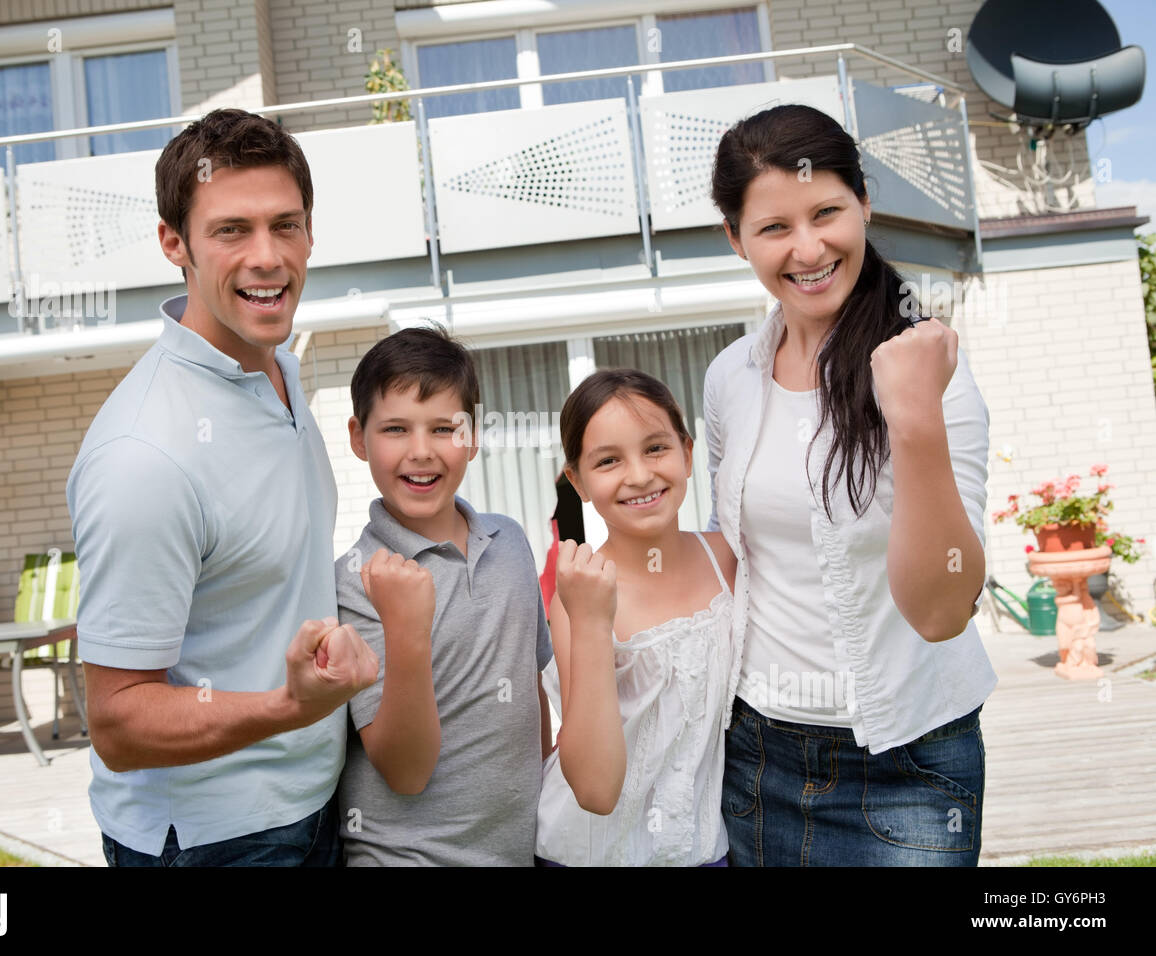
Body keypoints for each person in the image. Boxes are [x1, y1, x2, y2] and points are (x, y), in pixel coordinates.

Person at [67, 108, 378, 867]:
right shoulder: (145, 454)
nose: (268, 257)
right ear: (174, 243)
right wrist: (286, 707)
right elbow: (117, 719)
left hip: (313, 805)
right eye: (231, 230)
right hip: (215, 844)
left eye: (286, 225)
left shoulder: (276, 370)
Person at [704, 103, 995, 866]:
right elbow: (734, 555)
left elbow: (943, 609)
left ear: (864, 201)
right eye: (773, 228)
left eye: (827, 212)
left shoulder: (934, 375)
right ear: (736, 239)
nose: (808, 249)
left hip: (906, 766)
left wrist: (915, 422)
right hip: (755, 753)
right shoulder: (730, 376)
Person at [334, 325, 554, 866]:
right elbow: (406, 772)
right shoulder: (355, 582)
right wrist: (406, 626)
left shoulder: (510, 543)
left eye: (443, 428)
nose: (421, 452)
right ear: (359, 438)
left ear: (473, 435)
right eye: (395, 429)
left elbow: (531, 696)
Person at [535, 368, 737, 866]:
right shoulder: (580, 595)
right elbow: (596, 790)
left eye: (655, 448)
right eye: (608, 461)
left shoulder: (729, 558)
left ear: (687, 454)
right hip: (589, 854)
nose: (640, 475)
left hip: (701, 850)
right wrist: (591, 623)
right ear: (578, 481)